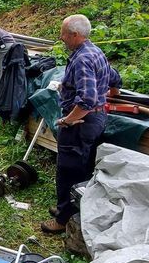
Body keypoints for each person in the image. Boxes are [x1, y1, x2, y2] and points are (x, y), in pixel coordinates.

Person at [41, 14, 121, 234]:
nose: (61, 37)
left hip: (81, 122)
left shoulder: (83, 59)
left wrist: (70, 119)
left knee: (69, 170)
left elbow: (87, 99)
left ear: (75, 35)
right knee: (84, 167)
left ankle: (64, 219)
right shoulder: (95, 52)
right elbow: (114, 77)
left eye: (64, 34)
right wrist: (113, 93)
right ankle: (73, 210)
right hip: (96, 119)